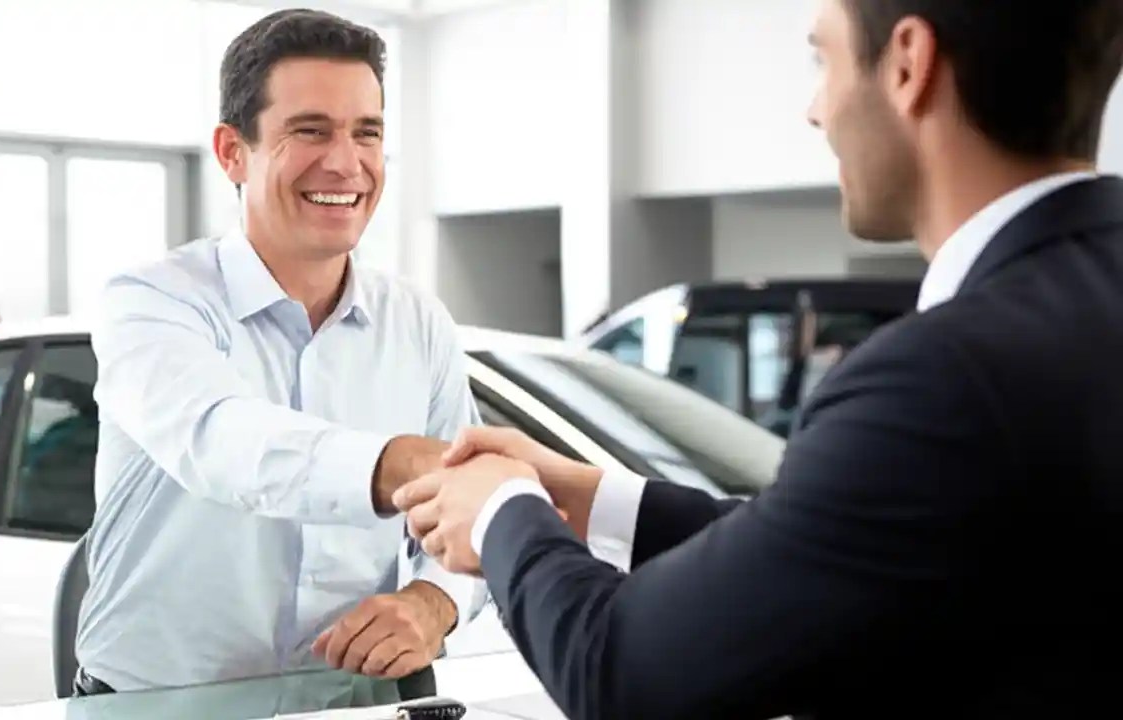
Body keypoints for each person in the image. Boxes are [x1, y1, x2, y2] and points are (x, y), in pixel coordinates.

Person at [394, 1, 1123, 717]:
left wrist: (502, 513)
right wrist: (596, 501)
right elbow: (830, 549)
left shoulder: (944, 375)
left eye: (822, 59)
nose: (815, 110)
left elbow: (620, 672)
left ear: (908, 63)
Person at [75, 9, 482, 696]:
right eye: (310, 131)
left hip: (356, 705)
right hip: (160, 710)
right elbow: (223, 440)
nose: (346, 162)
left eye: (367, 133)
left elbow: (466, 527)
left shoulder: (418, 324)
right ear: (233, 151)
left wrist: (432, 604)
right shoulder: (150, 301)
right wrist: (393, 465)